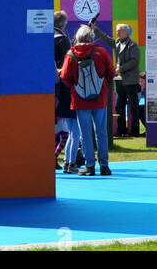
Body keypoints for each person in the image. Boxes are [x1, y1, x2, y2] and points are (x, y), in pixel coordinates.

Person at [60, 24, 116, 176]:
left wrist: (75, 86)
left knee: (85, 134)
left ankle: (90, 166)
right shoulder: (101, 52)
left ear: (77, 38)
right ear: (91, 37)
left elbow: (65, 78)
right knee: (101, 132)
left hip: (79, 100)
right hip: (100, 99)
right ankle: (104, 166)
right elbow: (111, 74)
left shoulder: (71, 54)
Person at [53, 11, 81, 173]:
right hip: (62, 88)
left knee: (58, 127)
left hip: (47, 88)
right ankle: (61, 159)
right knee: (67, 130)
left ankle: (57, 158)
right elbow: (67, 67)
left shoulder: (46, 37)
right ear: (64, 24)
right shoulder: (62, 39)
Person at [112, 24, 141, 137]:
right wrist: (95, 29)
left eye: (118, 31)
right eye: (116, 31)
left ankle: (135, 131)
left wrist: (121, 69)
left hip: (131, 81)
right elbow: (105, 38)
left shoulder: (133, 45)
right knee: (119, 106)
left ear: (126, 32)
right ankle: (121, 131)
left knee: (133, 107)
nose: (116, 33)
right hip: (119, 80)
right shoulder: (117, 42)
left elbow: (135, 61)